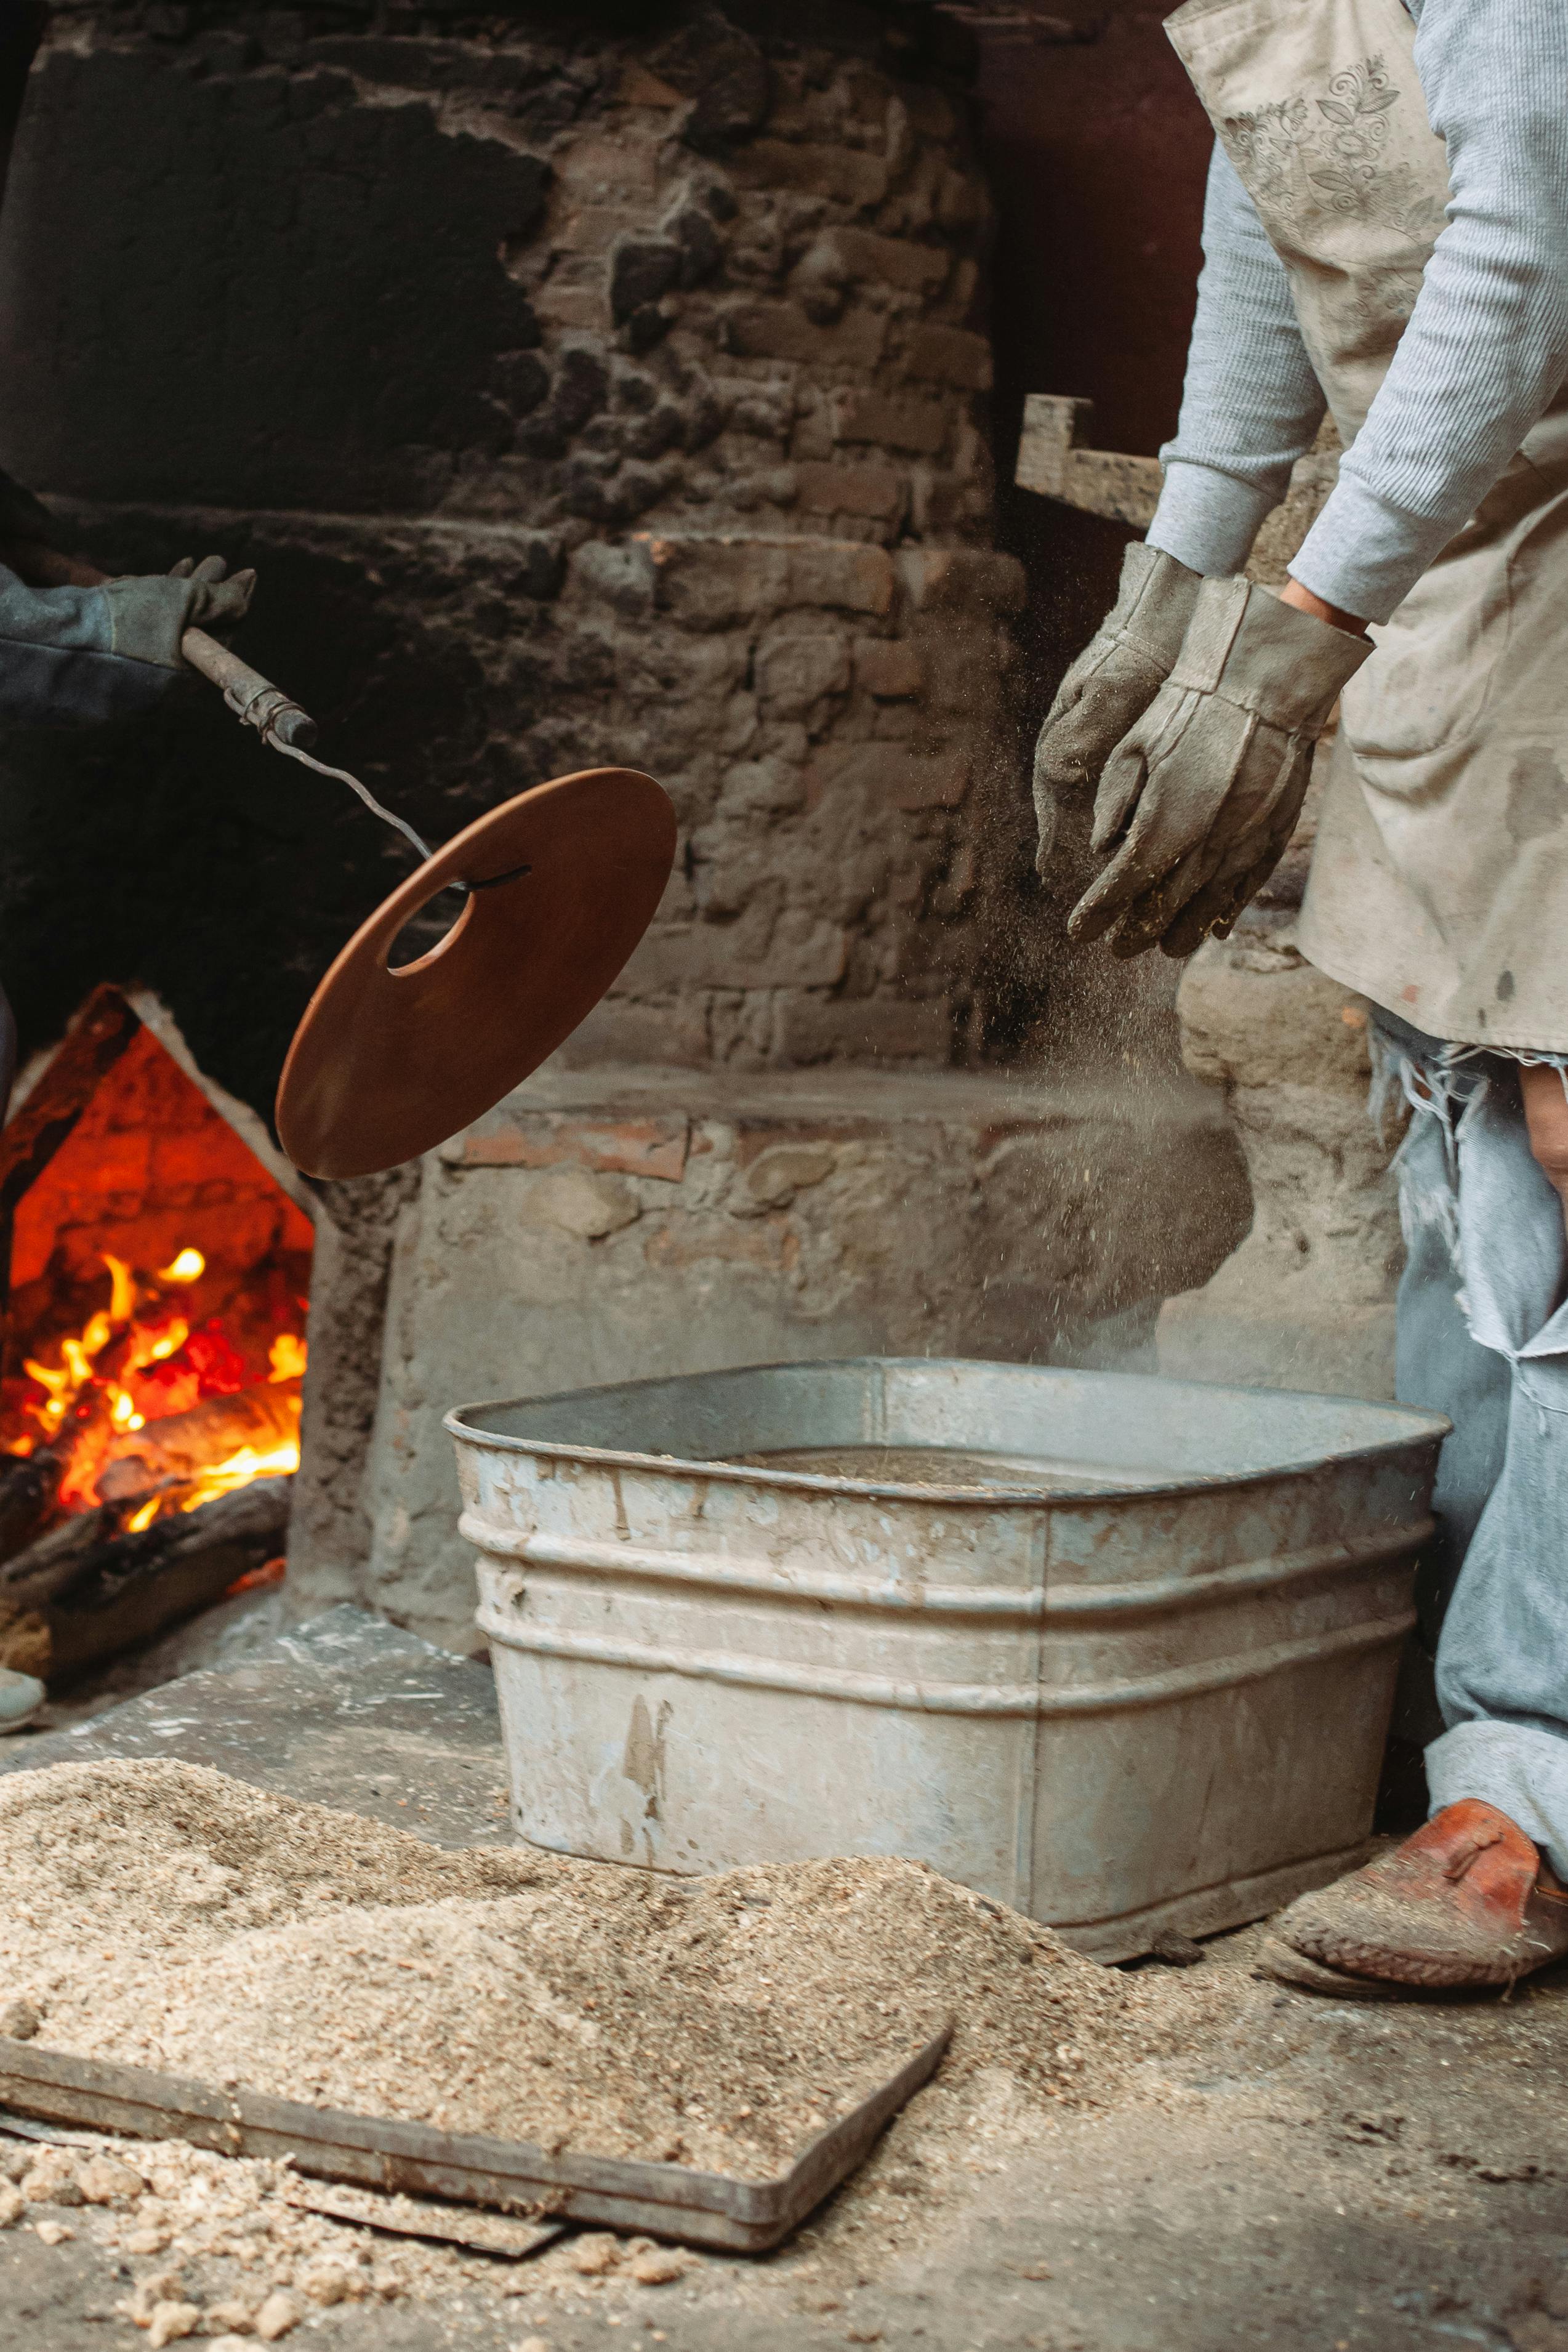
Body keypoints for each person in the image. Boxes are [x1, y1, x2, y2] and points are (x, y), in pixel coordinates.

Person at [1033, 0, 1568, 1990]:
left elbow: (1521, 258)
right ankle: (1462, 1720)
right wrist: (1173, 575)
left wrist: (1289, 636)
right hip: (1461, 554)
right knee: (1453, 1173)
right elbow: (1282, 219)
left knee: (1566, 1166)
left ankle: (1530, 1802)